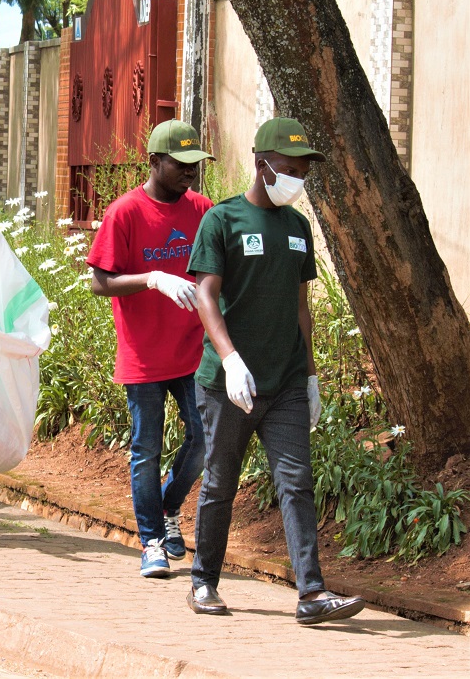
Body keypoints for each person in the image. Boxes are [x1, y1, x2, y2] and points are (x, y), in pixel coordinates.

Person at [186, 116, 365, 625]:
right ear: (261, 163)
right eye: (290, 169)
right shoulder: (222, 221)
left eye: (304, 172)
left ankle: (311, 594)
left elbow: (302, 308)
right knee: (220, 482)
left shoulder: (297, 227)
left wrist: (310, 376)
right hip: (229, 385)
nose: (297, 181)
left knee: (296, 482)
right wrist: (230, 358)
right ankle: (204, 581)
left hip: (284, 380)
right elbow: (204, 294)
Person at [86, 119, 212, 578]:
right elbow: (100, 282)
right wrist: (152, 279)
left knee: (204, 440)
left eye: (195, 166)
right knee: (146, 448)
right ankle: (153, 541)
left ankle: (166, 504)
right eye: (180, 165)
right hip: (143, 354)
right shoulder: (126, 212)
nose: (190, 175)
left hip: (194, 349)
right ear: (155, 161)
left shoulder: (203, 210)